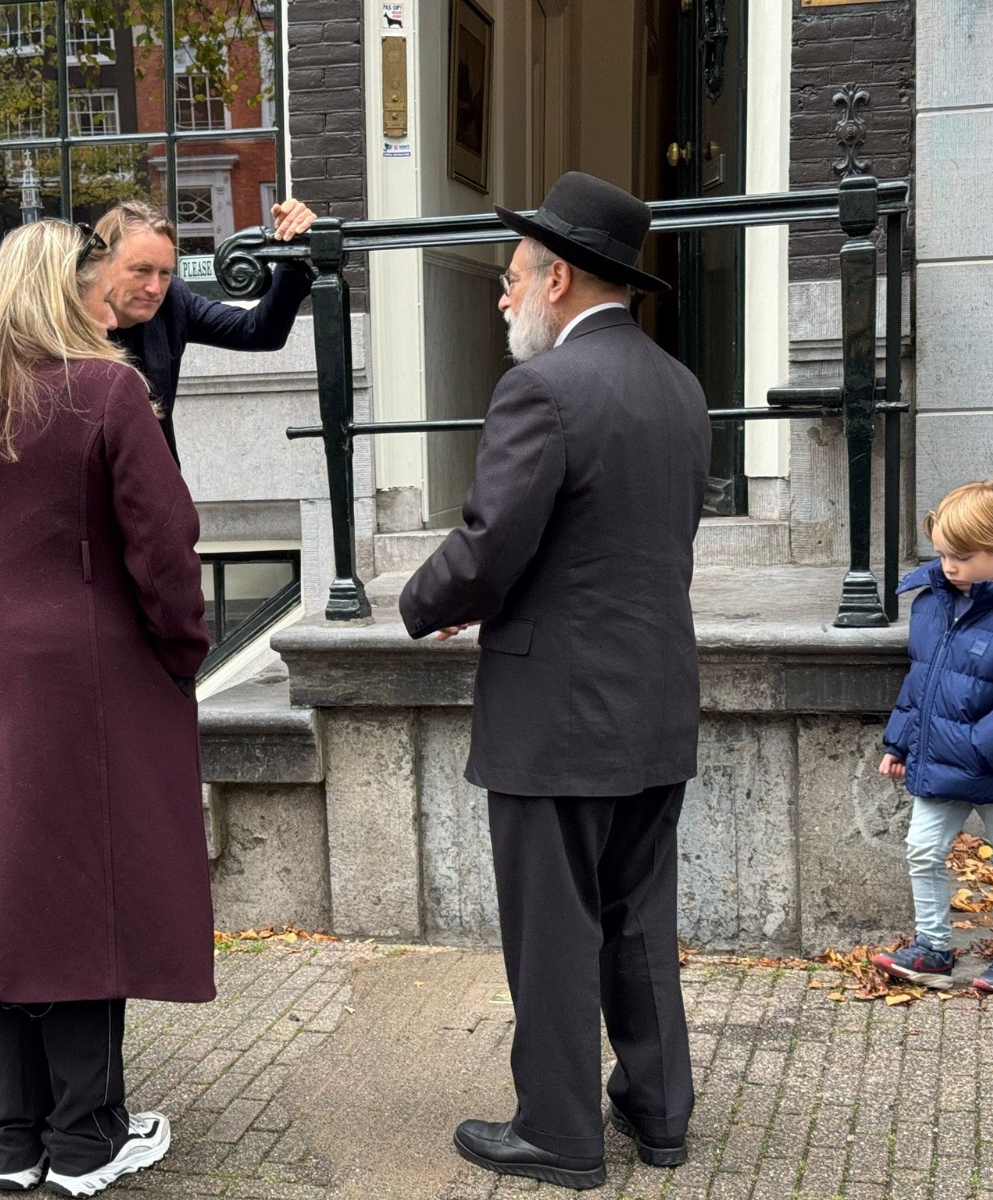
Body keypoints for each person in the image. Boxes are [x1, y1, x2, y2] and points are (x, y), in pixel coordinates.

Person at [398, 172, 711, 1190]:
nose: (500, 299)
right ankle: (659, 1115)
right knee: (639, 917)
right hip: (656, 694)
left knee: (552, 929)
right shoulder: (678, 384)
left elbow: (493, 544)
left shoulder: (541, 388)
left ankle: (559, 1133)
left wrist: (421, 600)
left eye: (509, 280)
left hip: (557, 710)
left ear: (558, 278)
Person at [0, 220, 213, 1196]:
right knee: (81, 890)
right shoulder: (105, 391)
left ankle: (11, 1137)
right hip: (78, 674)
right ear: (64, 292)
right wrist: (180, 650)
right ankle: (85, 1139)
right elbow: (163, 548)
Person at [873, 480, 993, 994]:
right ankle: (932, 950)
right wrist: (900, 743)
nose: (949, 566)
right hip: (941, 761)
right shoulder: (933, 603)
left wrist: (978, 747)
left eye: (963, 556)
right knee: (923, 850)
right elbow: (920, 681)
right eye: (943, 553)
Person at [96, 196, 317, 460]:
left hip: (151, 483)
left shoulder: (173, 300)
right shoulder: (65, 318)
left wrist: (291, 250)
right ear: (103, 266)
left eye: (165, 272)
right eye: (141, 270)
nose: (155, 288)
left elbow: (261, 331)